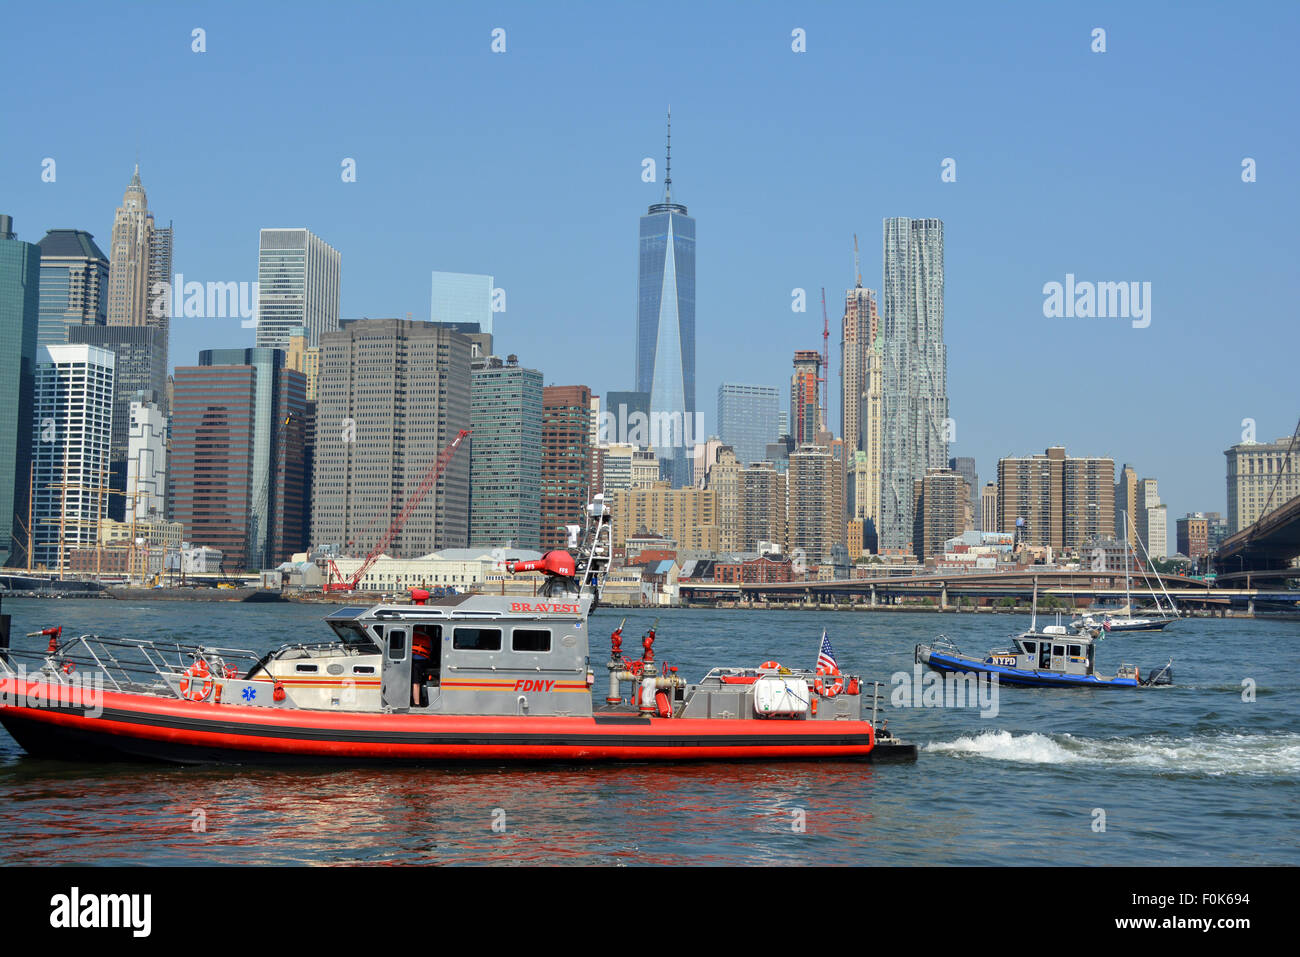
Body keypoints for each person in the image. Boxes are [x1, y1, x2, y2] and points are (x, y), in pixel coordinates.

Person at [411, 627, 434, 707]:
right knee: (421, 681)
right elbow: (431, 649)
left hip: (415, 661)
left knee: (415, 682)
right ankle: (423, 700)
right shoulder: (427, 637)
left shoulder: (411, 635)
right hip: (424, 661)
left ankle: (416, 704)